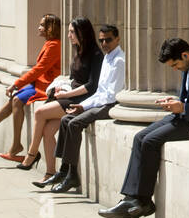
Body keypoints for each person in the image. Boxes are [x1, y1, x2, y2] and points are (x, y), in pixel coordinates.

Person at [98, 37, 189, 218]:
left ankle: (143, 201)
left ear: (185, 55)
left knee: (151, 141)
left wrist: (184, 108)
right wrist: (175, 103)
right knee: (139, 137)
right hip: (183, 116)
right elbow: (188, 95)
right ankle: (131, 198)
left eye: (175, 65)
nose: (175, 69)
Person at [37, 24, 125, 193]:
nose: (104, 43)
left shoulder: (119, 60)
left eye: (108, 40)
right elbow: (100, 91)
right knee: (65, 120)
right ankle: (64, 171)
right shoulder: (107, 57)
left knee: (74, 123)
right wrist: (82, 106)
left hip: (110, 105)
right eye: (102, 40)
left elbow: (110, 96)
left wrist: (83, 106)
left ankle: (72, 175)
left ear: (118, 39)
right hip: (99, 101)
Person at [18, 18, 102, 174]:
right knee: (48, 132)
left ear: (81, 33)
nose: (68, 35)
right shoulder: (78, 50)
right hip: (70, 95)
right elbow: (75, 79)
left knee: (39, 112)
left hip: (81, 99)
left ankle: (32, 153)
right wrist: (62, 87)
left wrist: (67, 93)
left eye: (71, 32)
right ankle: (50, 172)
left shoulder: (96, 54)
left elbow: (91, 86)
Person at [0, 15, 62, 160]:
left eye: (42, 25)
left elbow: (39, 69)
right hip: (38, 83)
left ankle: (15, 145)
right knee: (14, 99)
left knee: (16, 100)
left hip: (45, 87)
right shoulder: (50, 43)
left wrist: (16, 84)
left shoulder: (54, 45)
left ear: (51, 28)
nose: (39, 28)